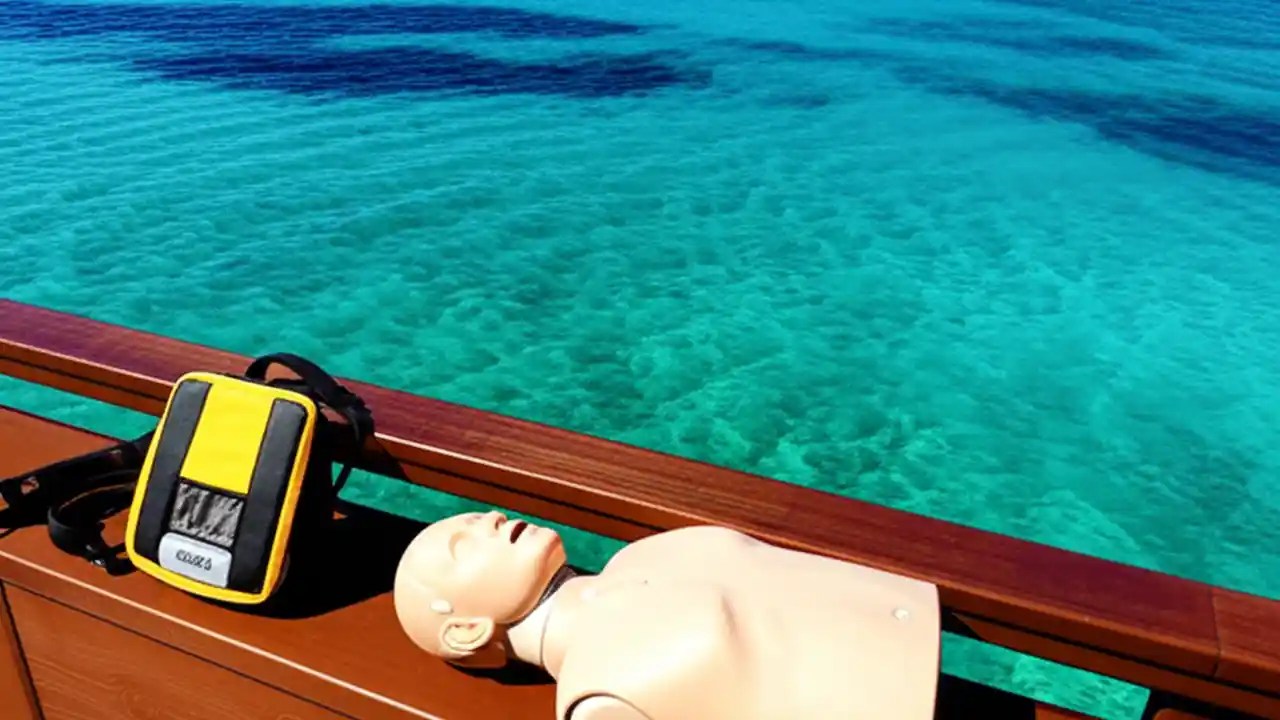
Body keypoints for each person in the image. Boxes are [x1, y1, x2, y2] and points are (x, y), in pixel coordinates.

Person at [394, 510, 941, 720]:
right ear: (466, 629)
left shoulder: (642, 556)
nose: (489, 517)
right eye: (463, 546)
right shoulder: (601, 699)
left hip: (924, 638)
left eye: (472, 517)